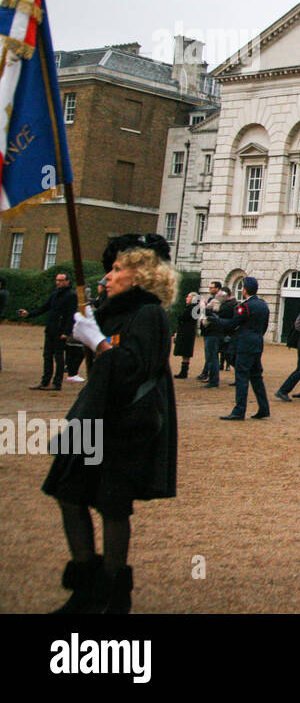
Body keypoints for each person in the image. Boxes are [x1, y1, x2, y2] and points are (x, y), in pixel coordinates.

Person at [41, 233, 178, 613]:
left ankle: (113, 593)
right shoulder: (110, 310)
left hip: (126, 421)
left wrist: (99, 341)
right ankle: (86, 586)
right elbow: (100, 368)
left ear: (139, 276)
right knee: (68, 491)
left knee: (112, 504)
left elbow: (135, 367)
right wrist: (90, 334)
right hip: (96, 414)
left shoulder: (148, 313)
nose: (108, 277)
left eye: (117, 270)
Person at [207, 277, 271, 421]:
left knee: (242, 376)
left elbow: (232, 324)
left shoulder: (246, 306)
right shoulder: (262, 305)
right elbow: (265, 325)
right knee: (256, 377)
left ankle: (239, 410)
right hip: (257, 342)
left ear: (246, 289)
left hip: (245, 343)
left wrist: (216, 320)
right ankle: (263, 407)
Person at [19, 271, 77, 391]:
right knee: (47, 356)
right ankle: (45, 381)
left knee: (59, 357)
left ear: (67, 281)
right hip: (50, 329)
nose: (58, 282)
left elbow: (71, 315)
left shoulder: (71, 295)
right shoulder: (55, 293)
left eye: (61, 280)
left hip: (60, 330)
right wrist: (29, 314)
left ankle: (57, 383)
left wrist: (66, 332)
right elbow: (44, 307)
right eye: (57, 280)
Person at [198, 284, 225, 387]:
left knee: (212, 357)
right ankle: (211, 377)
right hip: (209, 332)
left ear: (217, 289)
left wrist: (204, 306)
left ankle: (213, 380)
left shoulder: (218, 301)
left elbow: (212, 313)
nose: (210, 289)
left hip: (213, 332)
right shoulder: (212, 299)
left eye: (212, 287)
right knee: (210, 357)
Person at [171, 292, 199, 380]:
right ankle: (183, 371)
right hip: (185, 331)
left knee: (185, 352)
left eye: (188, 297)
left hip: (187, 332)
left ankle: (184, 372)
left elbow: (184, 317)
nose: (186, 299)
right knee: (185, 353)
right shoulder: (192, 308)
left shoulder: (193, 308)